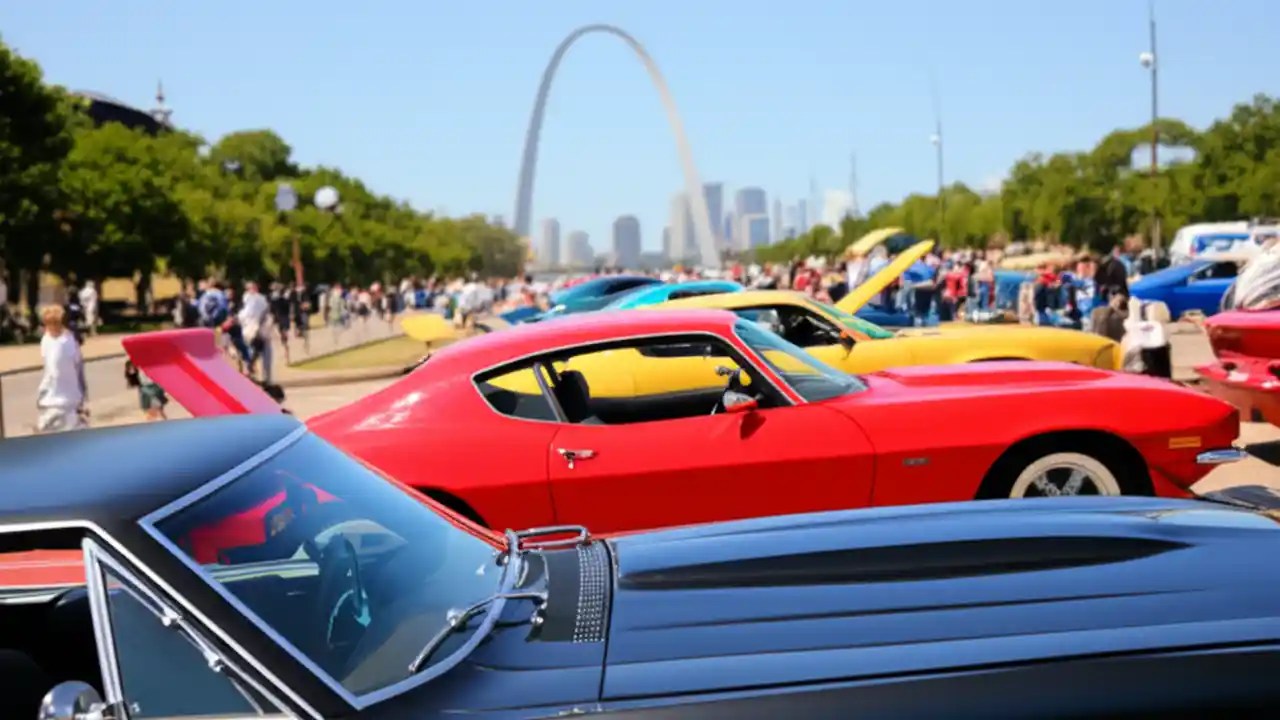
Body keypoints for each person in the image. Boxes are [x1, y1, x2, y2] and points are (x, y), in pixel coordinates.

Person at [35, 305, 87, 433]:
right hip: (64, 400)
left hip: (60, 401)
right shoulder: (56, 340)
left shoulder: (61, 343)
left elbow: (54, 371)